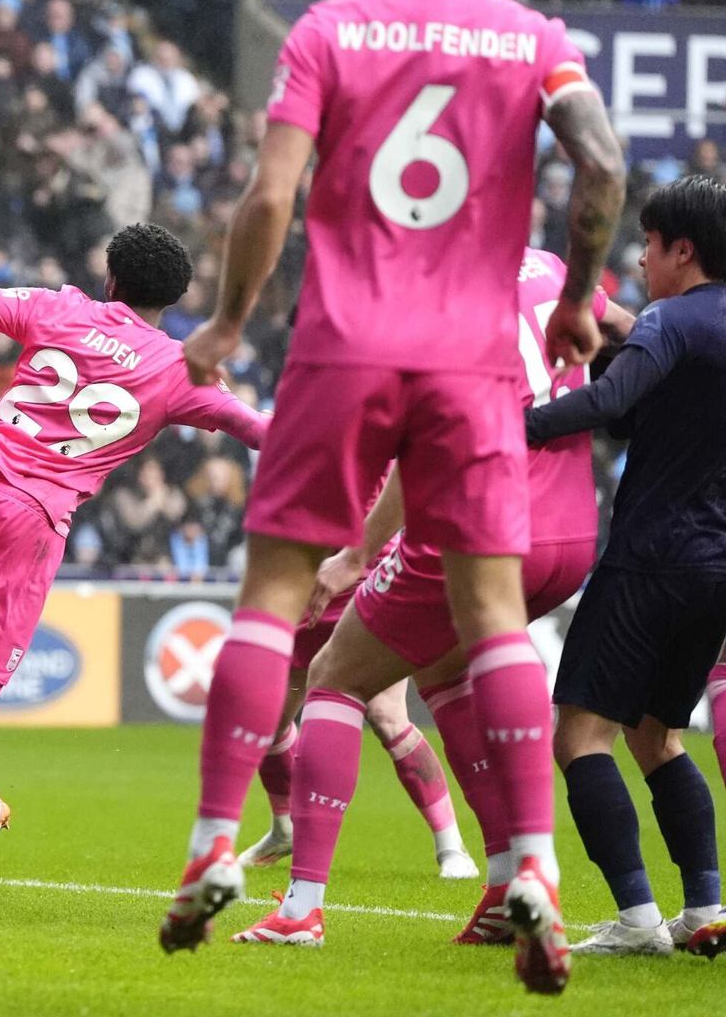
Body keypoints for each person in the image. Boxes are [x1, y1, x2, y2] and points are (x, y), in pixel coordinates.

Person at [162, 0, 626, 993]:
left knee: (274, 597)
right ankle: (530, 864)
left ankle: (216, 842)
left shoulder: (330, 29)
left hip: (345, 341)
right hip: (469, 361)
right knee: (490, 616)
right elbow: (603, 164)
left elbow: (271, 195)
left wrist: (226, 323)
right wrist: (579, 295)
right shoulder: (532, 38)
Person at [230, 248, 630, 948]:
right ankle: (506, 883)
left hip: (471, 531)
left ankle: (301, 907)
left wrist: (357, 556)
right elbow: (629, 329)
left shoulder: (432, 300)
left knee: (334, 678)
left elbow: (416, 457)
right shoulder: (546, 268)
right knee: (446, 672)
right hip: (570, 534)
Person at [0, 224, 269, 898]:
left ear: (111, 278)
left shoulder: (61, 308)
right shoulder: (179, 371)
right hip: (29, 521)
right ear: (173, 300)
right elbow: (259, 432)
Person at [526, 178, 726, 958]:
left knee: (579, 736)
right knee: (658, 736)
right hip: (715, 568)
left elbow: (609, 403)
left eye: (648, 244)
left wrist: (515, 423)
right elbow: (643, 419)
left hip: (649, 558)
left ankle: (638, 918)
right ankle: (704, 906)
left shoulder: (672, 320)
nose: (641, 259)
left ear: (683, 250)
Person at [238, 495, 480, 882]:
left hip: (366, 572)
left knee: (387, 715)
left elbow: (395, 491)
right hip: (305, 577)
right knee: (269, 721)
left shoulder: (371, 456)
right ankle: (285, 829)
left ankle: (451, 846)